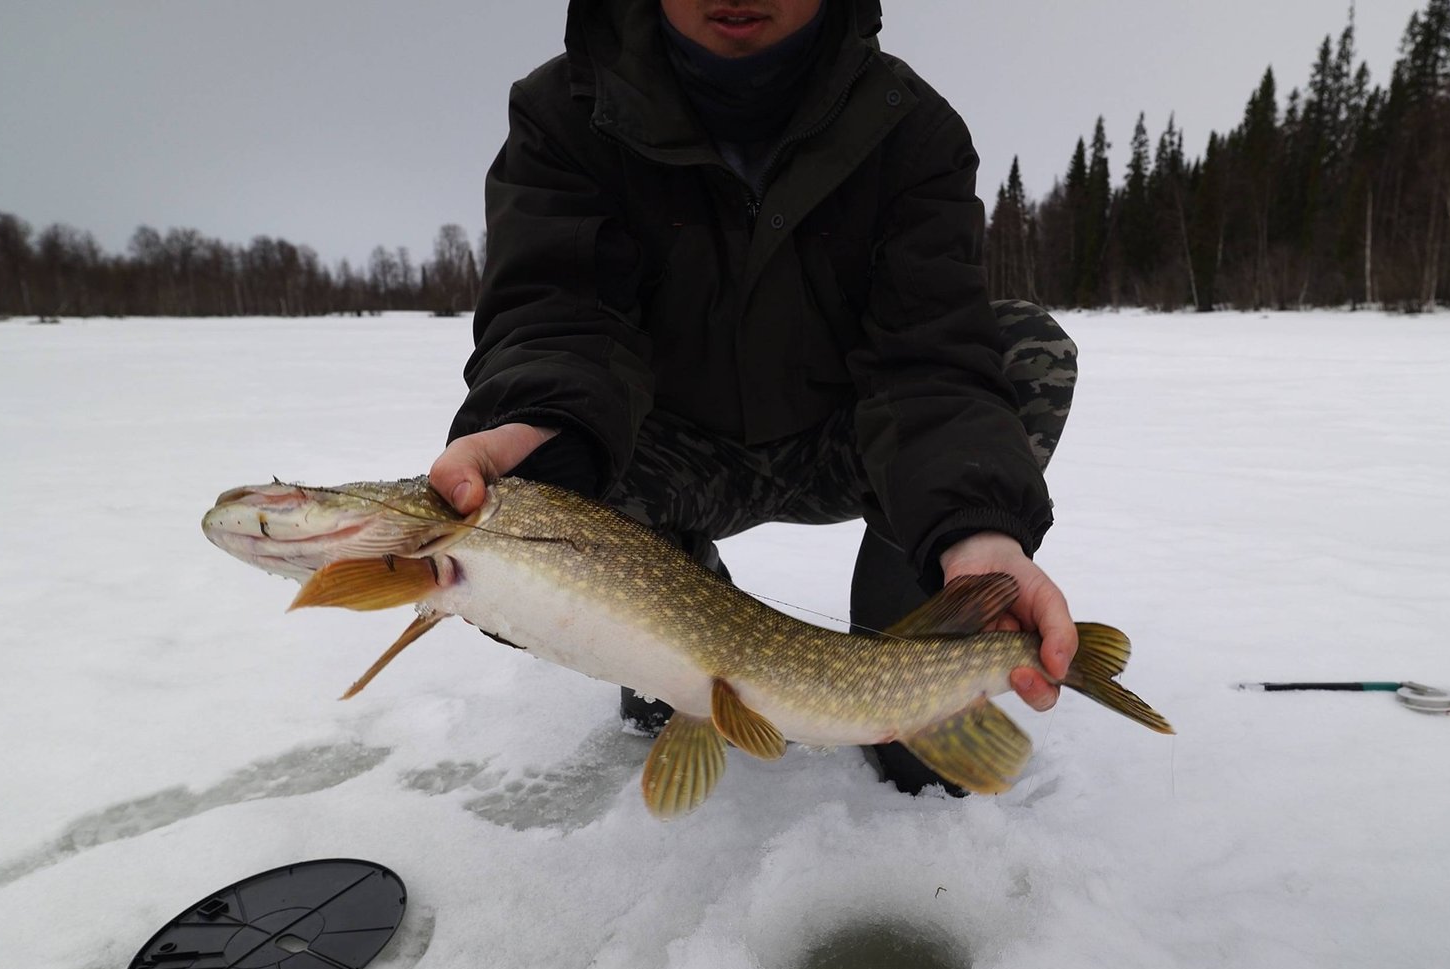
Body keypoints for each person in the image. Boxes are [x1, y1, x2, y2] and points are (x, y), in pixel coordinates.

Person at [429, 0, 1080, 794]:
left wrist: (976, 531)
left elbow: (930, 359)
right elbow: (562, 316)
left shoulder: (911, 130)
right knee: (544, 475)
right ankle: (674, 644)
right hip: (668, 453)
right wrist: (542, 429)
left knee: (1020, 349)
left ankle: (912, 612)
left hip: (849, 442)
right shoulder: (564, 113)